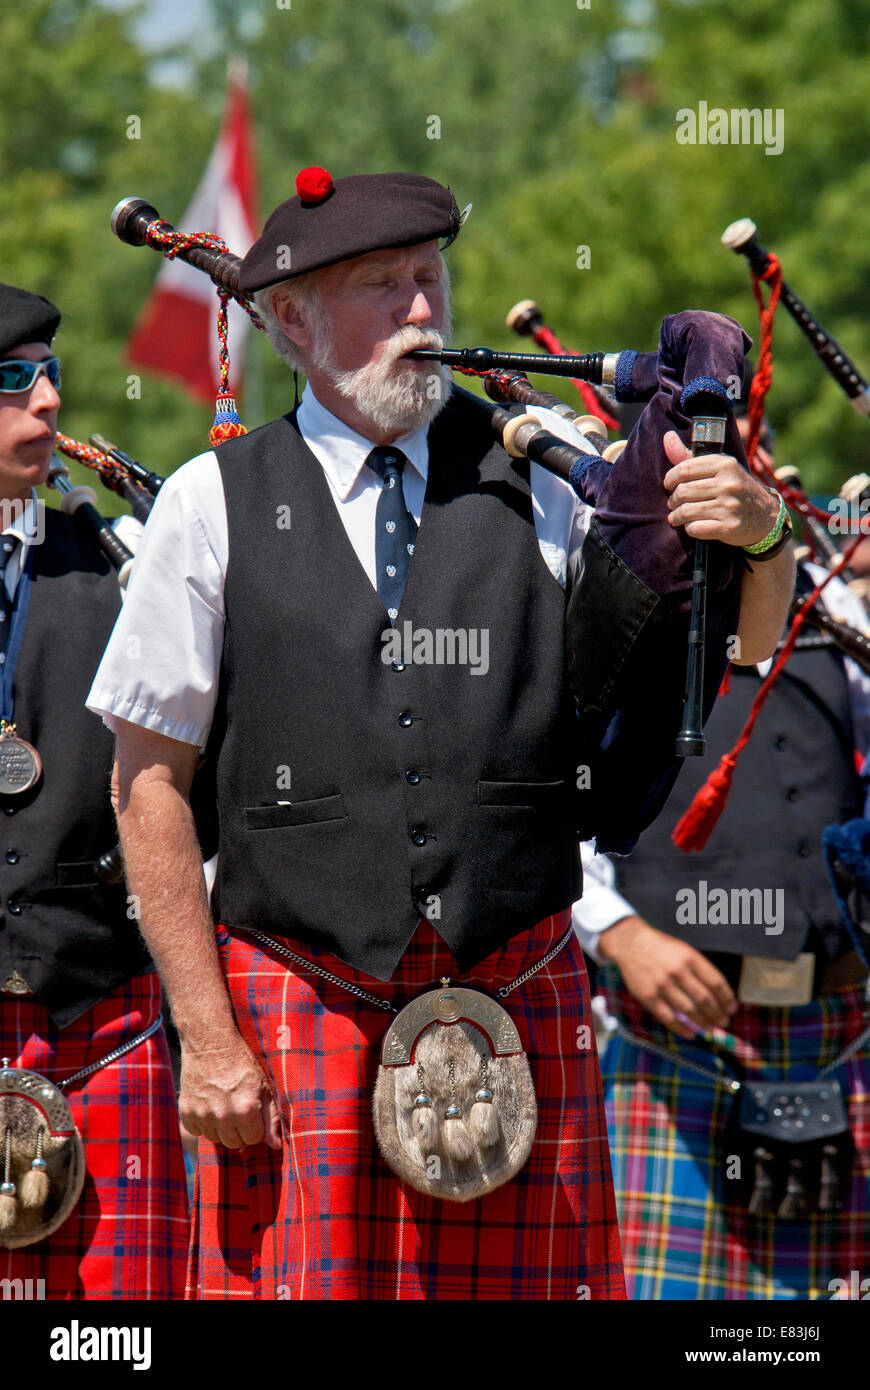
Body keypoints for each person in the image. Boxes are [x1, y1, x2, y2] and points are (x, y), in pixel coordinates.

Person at [88, 168, 794, 1301]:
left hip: (519, 983)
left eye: (431, 278)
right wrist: (207, 1034)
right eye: (384, 286)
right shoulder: (212, 502)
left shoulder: (549, 476)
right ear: (295, 322)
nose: (424, 310)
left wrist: (764, 544)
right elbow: (149, 784)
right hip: (295, 1002)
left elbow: (734, 657)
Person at [574, 408, 870, 1301]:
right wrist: (623, 935)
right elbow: (554, 796)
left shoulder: (837, 605)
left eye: (749, 445)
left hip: (840, 1020)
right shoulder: (609, 609)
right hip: (681, 1040)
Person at [0, 283, 188, 1300]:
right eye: (11, 379)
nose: (46, 404)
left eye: (52, 377)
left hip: (101, 1020)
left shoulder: (120, 570)